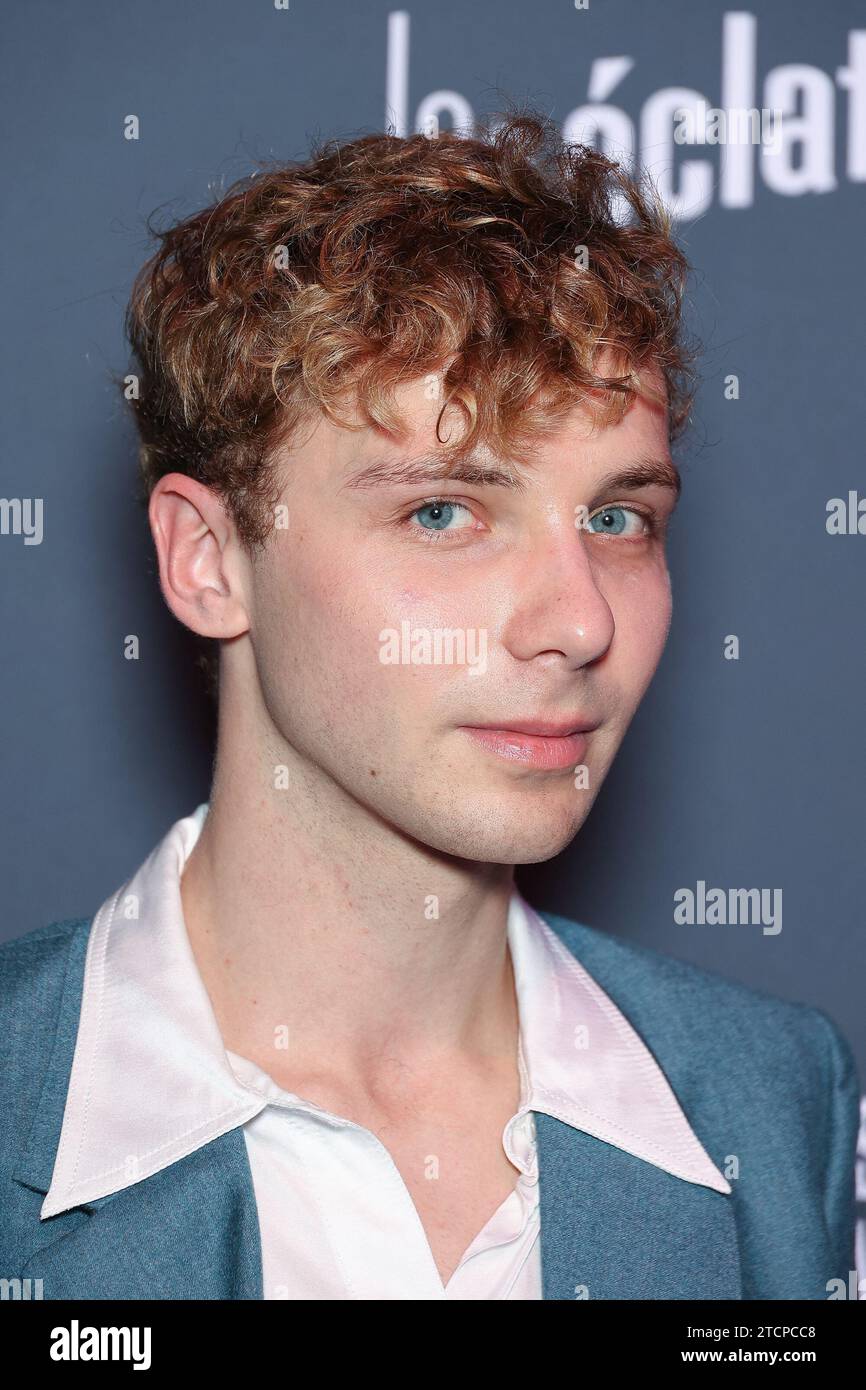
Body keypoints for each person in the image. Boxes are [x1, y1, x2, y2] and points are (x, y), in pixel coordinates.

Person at [0, 115, 858, 1301]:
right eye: (445, 512)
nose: (578, 621)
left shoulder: (772, 1104)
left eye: (617, 517)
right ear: (207, 559)